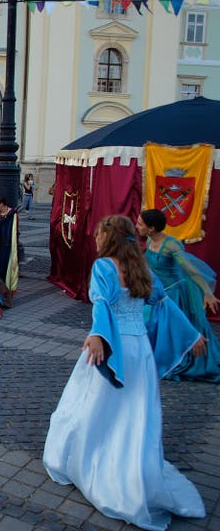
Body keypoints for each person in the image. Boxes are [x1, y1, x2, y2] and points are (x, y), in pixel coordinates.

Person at [44, 215, 207, 531]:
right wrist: (191, 333)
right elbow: (164, 304)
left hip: (111, 346)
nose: (95, 240)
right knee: (134, 412)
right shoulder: (142, 267)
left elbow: (102, 304)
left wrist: (97, 335)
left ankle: (93, 462)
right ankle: (133, 469)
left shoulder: (103, 267)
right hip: (139, 351)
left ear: (109, 238)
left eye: (99, 235)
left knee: (95, 406)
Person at [136, 208, 220, 382]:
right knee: (147, 322)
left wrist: (207, 292)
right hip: (156, 293)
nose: (137, 226)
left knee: (172, 328)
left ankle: (178, 359)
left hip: (174, 294)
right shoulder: (150, 239)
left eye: (140, 224)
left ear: (151, 228)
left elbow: (191, 271)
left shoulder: (172, 245)